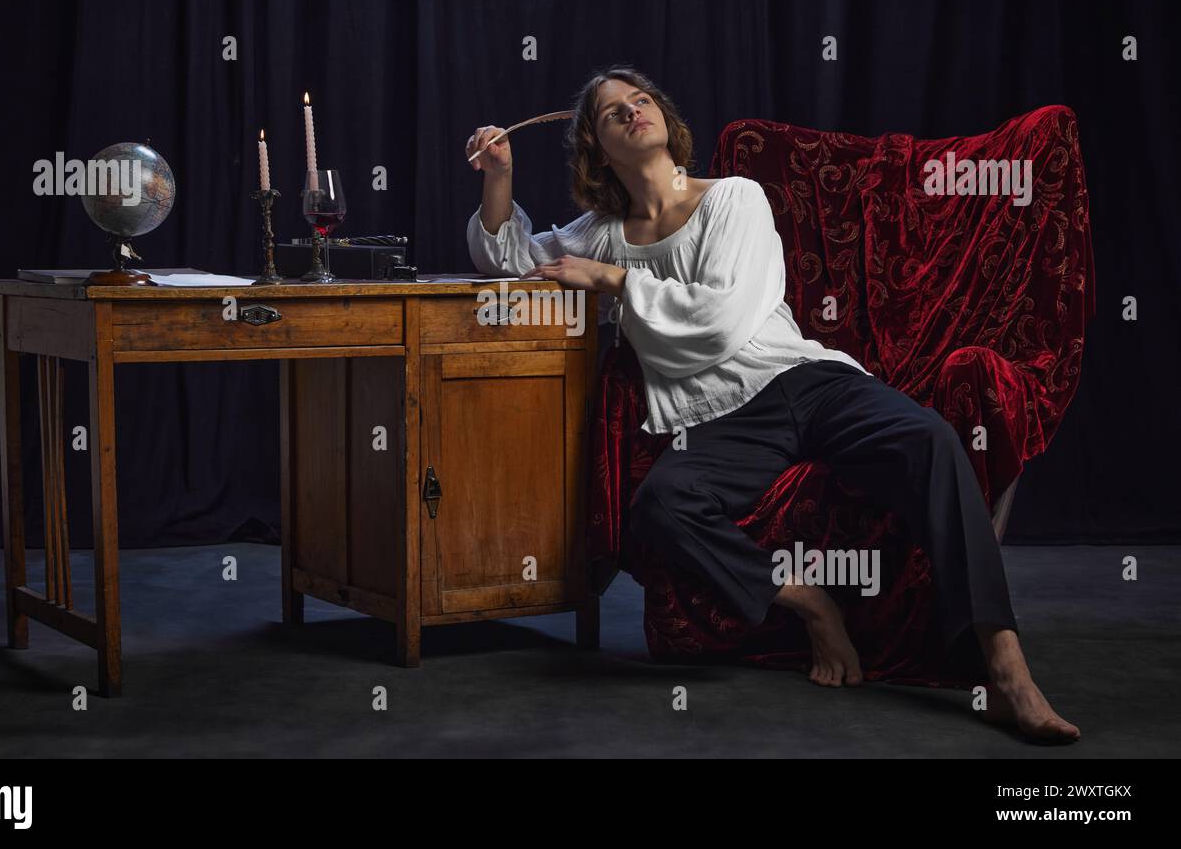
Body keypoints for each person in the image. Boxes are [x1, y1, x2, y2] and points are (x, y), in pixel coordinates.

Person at [463, 65, 1080, 744]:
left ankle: (1004, 668)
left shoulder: (735, 199)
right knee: (661, 506)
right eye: (614, 113)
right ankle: (805, 602)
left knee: (932, 440)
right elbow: (511, 259)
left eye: (641, 99)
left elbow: (724, 321)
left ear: (666, 119)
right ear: (597, 149)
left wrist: (611, 281)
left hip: (803, 382)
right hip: (717, 420)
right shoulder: (604, 231)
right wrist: (498, 175)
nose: (633, 111)